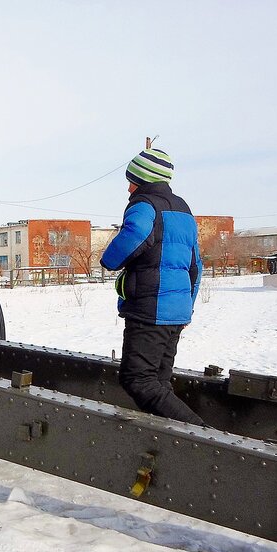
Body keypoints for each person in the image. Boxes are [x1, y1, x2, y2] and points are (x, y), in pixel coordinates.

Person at [100, 148, 205, 425]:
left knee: (138, 380)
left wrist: (109, 260)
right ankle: (174, 439)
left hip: (151, 309)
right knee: (159, 383)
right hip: (176, 312)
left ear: (143, 180)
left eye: (131, 181)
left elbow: (136, 233)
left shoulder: (145, 204)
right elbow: (196, 265)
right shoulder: (183, 210)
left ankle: (204, 434)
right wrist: (187, 308)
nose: (128, 188)